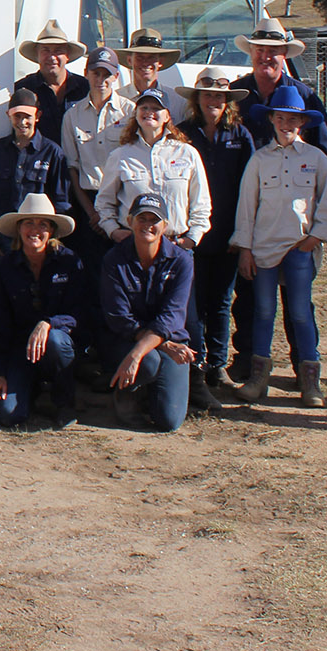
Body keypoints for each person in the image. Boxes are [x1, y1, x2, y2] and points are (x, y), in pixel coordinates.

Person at [233, 86, 327, 407]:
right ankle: (259, 377)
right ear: (272, 120)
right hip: (264, 246)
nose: (286, 124)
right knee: (264, 311)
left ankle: (310, 380)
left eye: (293, 119)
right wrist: (245, 248)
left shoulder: (315, 158)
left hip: (299, 247)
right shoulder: (260, 160)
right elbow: (247, 206)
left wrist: (315, 237)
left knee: (300, 312)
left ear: (302, 123)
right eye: (280, 118)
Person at [175, 67, 254, 410]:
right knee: (194, 303)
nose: (213, 102)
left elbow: (250, 186)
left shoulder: (239, 134)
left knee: (221, 301)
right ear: (197, 99)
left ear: (227, 102)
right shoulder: (182, 134)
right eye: (207, 95)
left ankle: (218, 365)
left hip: (227, 231)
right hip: (192, 235)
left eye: (219, 97)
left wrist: (244, 231)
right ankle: (197, 362)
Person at [0, 193, 90, 430]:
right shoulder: (3, 268)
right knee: (9, 415)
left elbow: (80, 312)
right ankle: (31, 391)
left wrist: (48, 323)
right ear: (19, 229)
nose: (35, 229)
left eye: (43, 224)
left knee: (55, 341)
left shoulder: (70, 262)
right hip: (19, 350)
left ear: (52, 230)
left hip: (57, 344)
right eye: (29, 223)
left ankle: (65, 402)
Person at [101, 194, 198, 431]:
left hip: (167, 338)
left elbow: (173, 316)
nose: (147, 225)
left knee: (169, 422)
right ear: (130, 221)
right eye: (141, 218)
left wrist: (142, 350)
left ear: (165, 225)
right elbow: (119, 318)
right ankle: (127, 392)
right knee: (148, 362)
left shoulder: (182, 261)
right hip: (127, 340)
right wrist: (151, 349)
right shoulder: (114, 260)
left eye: (154, 220)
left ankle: (149, 391)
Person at [95, 88, 210, 253]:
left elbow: (202, 203)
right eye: (144, 108)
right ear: (136, 114)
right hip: (132, 246)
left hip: (176, 245)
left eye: (156, 108)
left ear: (167, 116)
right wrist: (113, 231)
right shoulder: (120, 155)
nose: (149, 112)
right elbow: (104, 202)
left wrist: (192, 238)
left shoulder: (187, 154)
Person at [0, 88, 74, 259]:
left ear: (37, 116)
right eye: (17, 116)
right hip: (2, 236)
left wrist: (52, 238)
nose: (22, 122)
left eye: (27, 116)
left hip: (38, 237)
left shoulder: (52, 152)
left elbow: (61, 202)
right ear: (9, 115)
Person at [230, 18, 327, 161]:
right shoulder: (234, 93)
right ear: (251, 52)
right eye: (260, 50)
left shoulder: (303, 95)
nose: (265, 56)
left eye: (273, 50)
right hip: (243, 180)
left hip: (291, 179)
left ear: (285, 53)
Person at [60, 46, 134, 258]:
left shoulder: (130, 112)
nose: (101, 79)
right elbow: (72, 167)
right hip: (89, 204)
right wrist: (93, 213)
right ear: (86, 73)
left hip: (123, 201)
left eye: (107, 74)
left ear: (117, 76)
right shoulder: (72, 116)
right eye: (96, 73)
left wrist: (111, 215)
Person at [13, 19, 89, 143]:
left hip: (78, 159)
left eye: (58, 51)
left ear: (67, 55)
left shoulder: (85, 88)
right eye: (45, 50)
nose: (52, 57)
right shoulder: (23, 89)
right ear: (37, 55)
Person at [114, 28, 188, 123]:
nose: (146, 63)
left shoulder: (177, 101)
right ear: (129, 60)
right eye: (139, 57)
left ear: (160, 62)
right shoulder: (117, 99)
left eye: (151, 57)